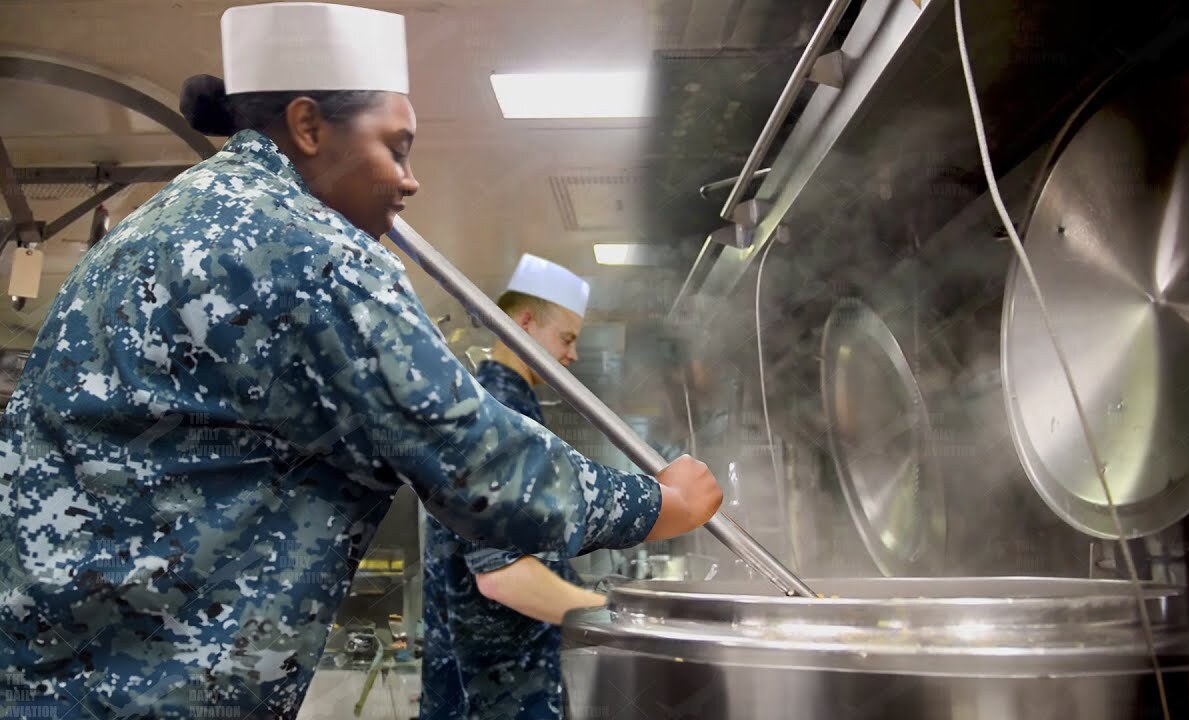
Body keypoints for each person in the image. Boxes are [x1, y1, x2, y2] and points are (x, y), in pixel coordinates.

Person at [0, 4, 722, 718]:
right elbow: (483, 471)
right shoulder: (311, 253)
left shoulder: (155, 224)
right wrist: (664, 504)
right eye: (396, 147)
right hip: (156, 692)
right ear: (309, 125)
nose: (409, 181)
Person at [419, 255, 605, 720]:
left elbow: (525, 548)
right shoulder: (500, 413)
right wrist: (612, 618)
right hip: (493, 698)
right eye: (566, 337)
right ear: (525, 321)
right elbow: (505, 576)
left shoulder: (503, 407)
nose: (573, 354)